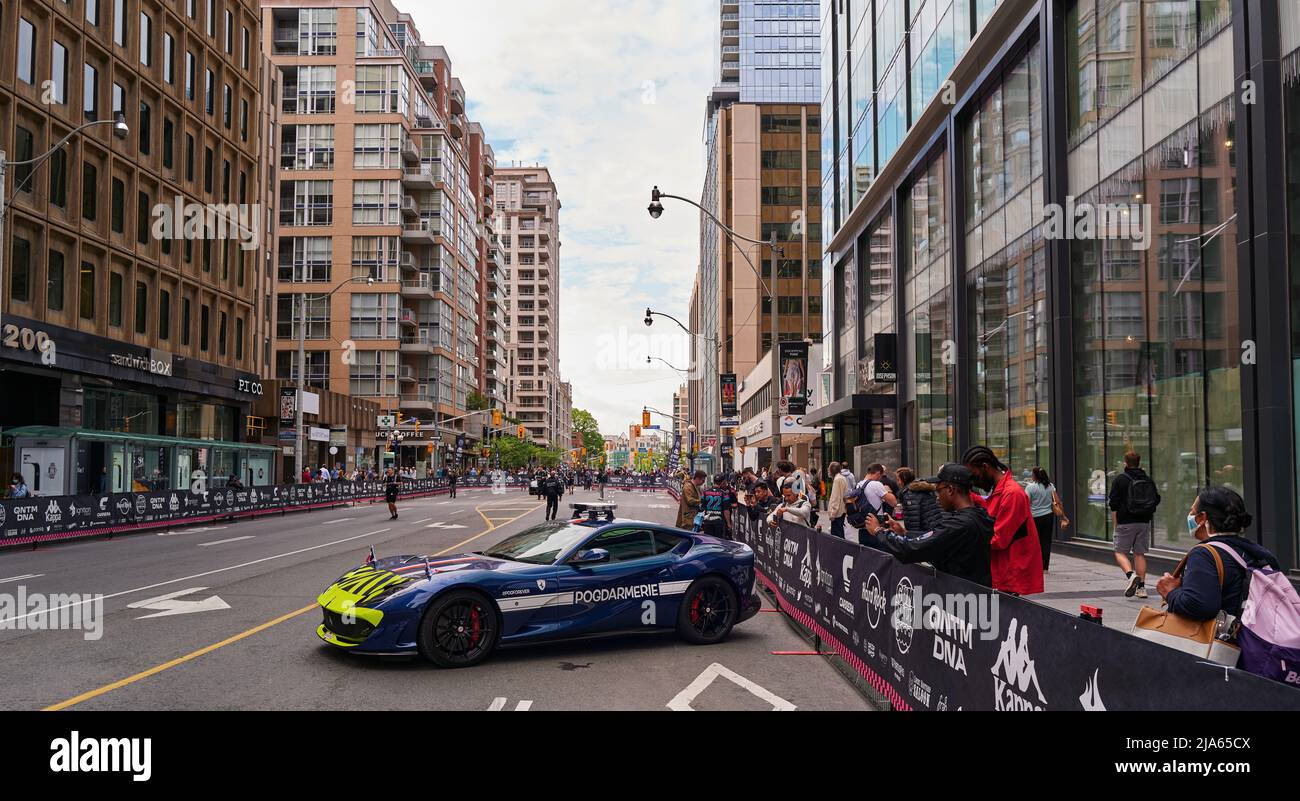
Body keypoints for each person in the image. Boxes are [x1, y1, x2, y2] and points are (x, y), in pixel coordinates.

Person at [1157, 486, 1280, 621]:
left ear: (1202, 517)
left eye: (1192, 511)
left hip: (1223, 639)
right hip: (1253, 635)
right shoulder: (1255, 551)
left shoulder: (1204, 554)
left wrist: (1169, 592)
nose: (1190, 515)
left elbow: (1199, 606)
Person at [862, 464, 995, 587]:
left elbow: (911, 550)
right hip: (974, 593)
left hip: (963, 597)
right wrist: (904, 533)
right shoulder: (979, 515)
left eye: (938, 490)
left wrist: (879, 531)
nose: (937, 497)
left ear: (950, 490)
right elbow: (938, 539)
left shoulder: (960, 524)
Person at [963, 445, 1042, 596]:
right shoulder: (1000, 490)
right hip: (1002, 572)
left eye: (975, 476)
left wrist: (966, 542)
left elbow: (999, 538)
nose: (974, 482)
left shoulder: (1012, 493)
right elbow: (991, 511)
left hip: (1009, 575)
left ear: (985, 467)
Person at [1108, 451, 1161, 598]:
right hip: (1144, 521)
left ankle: (1131, 576)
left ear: (1125, 463)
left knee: (1120, 552)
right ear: (1139, 463)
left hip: (1125, 521)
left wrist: (1116, 522)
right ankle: (1142, 588)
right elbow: (1156, 499)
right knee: (1139, 553)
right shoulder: (1148, 479)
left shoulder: (1120, 479)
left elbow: (1113, 503)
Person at [1026, 467, 1068, 573]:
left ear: (1035, 476)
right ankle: (1045, 568)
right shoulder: (1050, 486)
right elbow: (1058, 502)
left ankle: (1035, 566)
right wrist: (1063, 516)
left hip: (1034, 518)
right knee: (1046, 542)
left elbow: (1026, 503)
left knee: (1034, 542)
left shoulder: (1030, 488)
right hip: (1048, 517)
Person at [896, 467, 943, 536]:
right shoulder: (923, 489)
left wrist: (911, 537)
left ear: (904, 480)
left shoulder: (909, 494)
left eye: (898, 480)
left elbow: (913, 520)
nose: (897, 482)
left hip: (924, 532)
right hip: (934, 527)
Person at [700, 474, 737, 540]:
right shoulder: (724, 494)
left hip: (708, 521)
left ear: (713, 481)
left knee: (708, 541)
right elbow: (726, 510)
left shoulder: (705, 492)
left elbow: (702, 506)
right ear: (722, 482)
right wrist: (728, 523)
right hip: (719, 522)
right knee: (718, 542)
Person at [826, 461, 852, 539]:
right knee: (839, 534)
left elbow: (836, 497)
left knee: (837, 536)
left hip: (838, 513)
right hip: (841, 511)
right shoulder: (841, 478)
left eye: (828, 470)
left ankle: (839, 550)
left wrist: (833, 513)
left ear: (832, 470)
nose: (828, 471)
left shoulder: (837, 479)